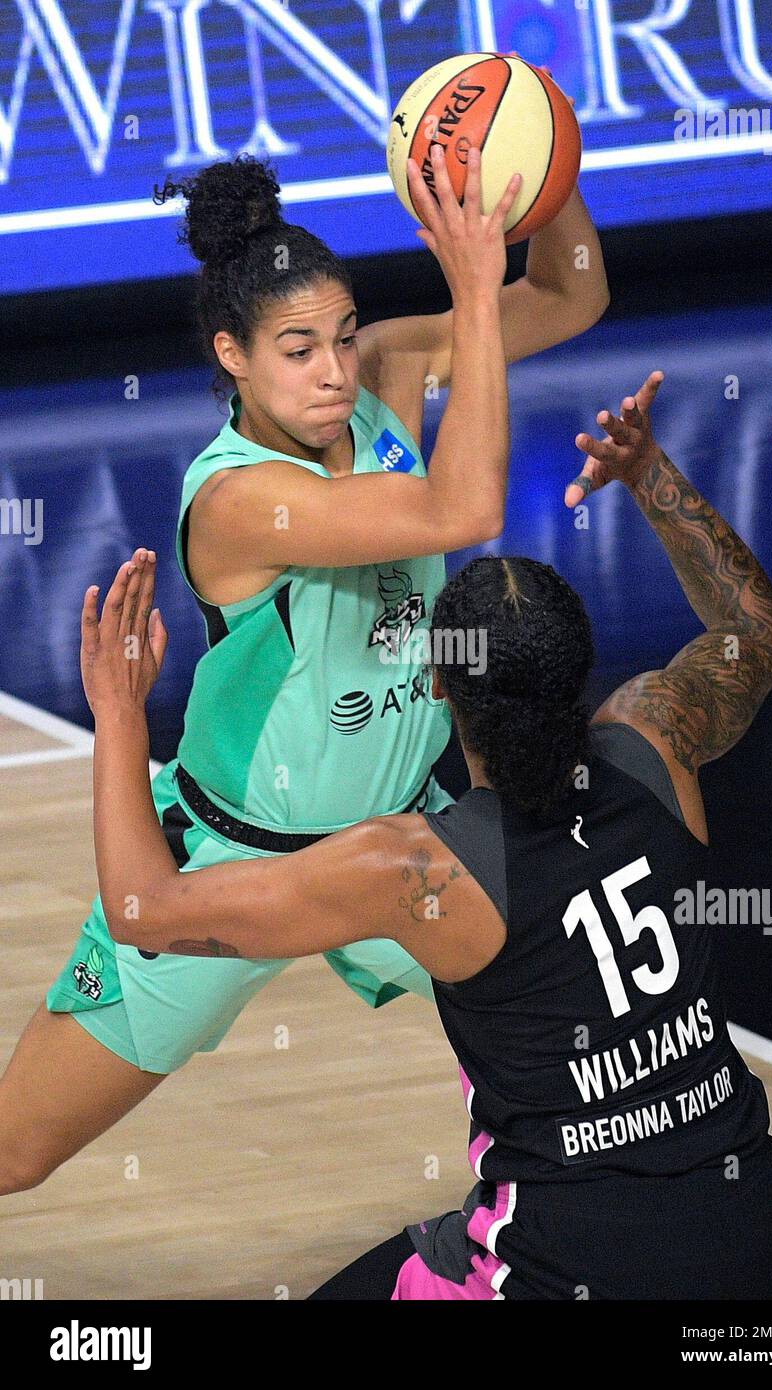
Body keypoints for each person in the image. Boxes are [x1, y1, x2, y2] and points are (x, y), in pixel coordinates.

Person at [79, 371, 772, 1300]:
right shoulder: (655, 740)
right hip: (749, 1235)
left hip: (570, 1264)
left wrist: (120, 715)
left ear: (443, 689)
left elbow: (145, 912)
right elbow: (755, 627)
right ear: (581, 668)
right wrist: (650, 470)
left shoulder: (420, 868)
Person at [0, 141, 609, 1194]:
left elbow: (570, 292)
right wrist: (468, 285)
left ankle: (597, 1232)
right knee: (16, 1150)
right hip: (230, 870)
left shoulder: (386, 373)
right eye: (295, 349)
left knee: (592, 1022)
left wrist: (543, 158)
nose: (333, 370)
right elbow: (459, 510)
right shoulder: (238, 502)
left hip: (403, 847)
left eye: (339, 336)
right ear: (231, 353)